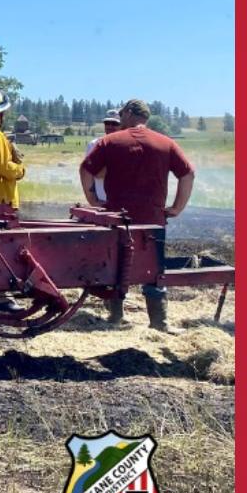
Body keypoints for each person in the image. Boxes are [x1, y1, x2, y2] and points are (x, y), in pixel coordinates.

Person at [80, 98, 195, 330]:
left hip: (117, 220)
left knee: (114, 267)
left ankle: (115, 318)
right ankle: (159, 323)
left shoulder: (109, 142)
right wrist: (176, 208)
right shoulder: (166, 143)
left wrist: (93, 200)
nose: (119, 119)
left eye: (122, 114)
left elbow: (86, 169)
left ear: (131, 114)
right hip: (153, 221)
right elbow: (188, 174)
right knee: (154, 270)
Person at [83, 110, 123, 204]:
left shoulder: (127, 145)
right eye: (107, 123)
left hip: (123, 201)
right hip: (101, 200)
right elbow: (92, 173)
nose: (109, 126)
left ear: (121, 125)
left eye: (114, 123)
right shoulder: (93, 144)